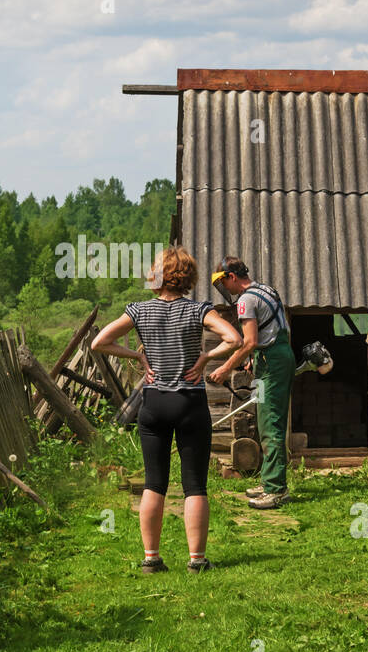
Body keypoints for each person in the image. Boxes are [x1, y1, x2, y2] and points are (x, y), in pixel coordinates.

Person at [91, 246, 241, 573]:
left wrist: (139, 358)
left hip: (154, 402)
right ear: (187, 277)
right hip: (190, 402)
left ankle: (151, 559)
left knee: (153, 482)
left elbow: (98, 343)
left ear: (156, 276)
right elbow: (233, 338)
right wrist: (204, 359)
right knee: (195, 485)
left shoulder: (139, 311)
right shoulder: (199, 310)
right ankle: (197, 562)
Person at [208, 256, 295, 509]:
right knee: (266, 420)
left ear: (232, 277)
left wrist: (225, 368)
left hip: (273, 363)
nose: (225, 290)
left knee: (272, 423)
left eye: (224, 283)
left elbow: (250, 341)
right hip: (273, 357)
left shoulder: (246, 300)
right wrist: (253, 361)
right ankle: (269, 482)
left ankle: (277, 490)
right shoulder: (266, 289)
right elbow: (268, 333)